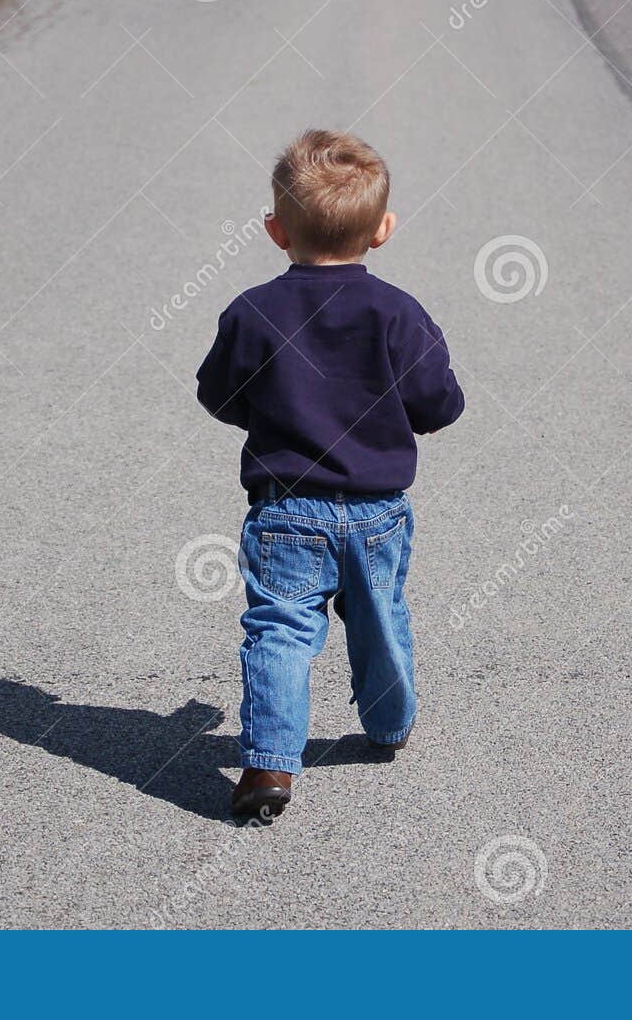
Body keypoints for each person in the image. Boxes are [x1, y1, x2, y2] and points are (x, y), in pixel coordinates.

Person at [195, 129, 465, 818]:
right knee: (379, 616)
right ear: (382, 230)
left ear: (275, 230)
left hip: (286, 509)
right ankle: (388, 723)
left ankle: (269, 767)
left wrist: (273, 411)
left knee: (280, 630)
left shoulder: (253, 311)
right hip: (377, 509)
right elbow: (440, 402)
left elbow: (219, 395)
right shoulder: (398, 313)